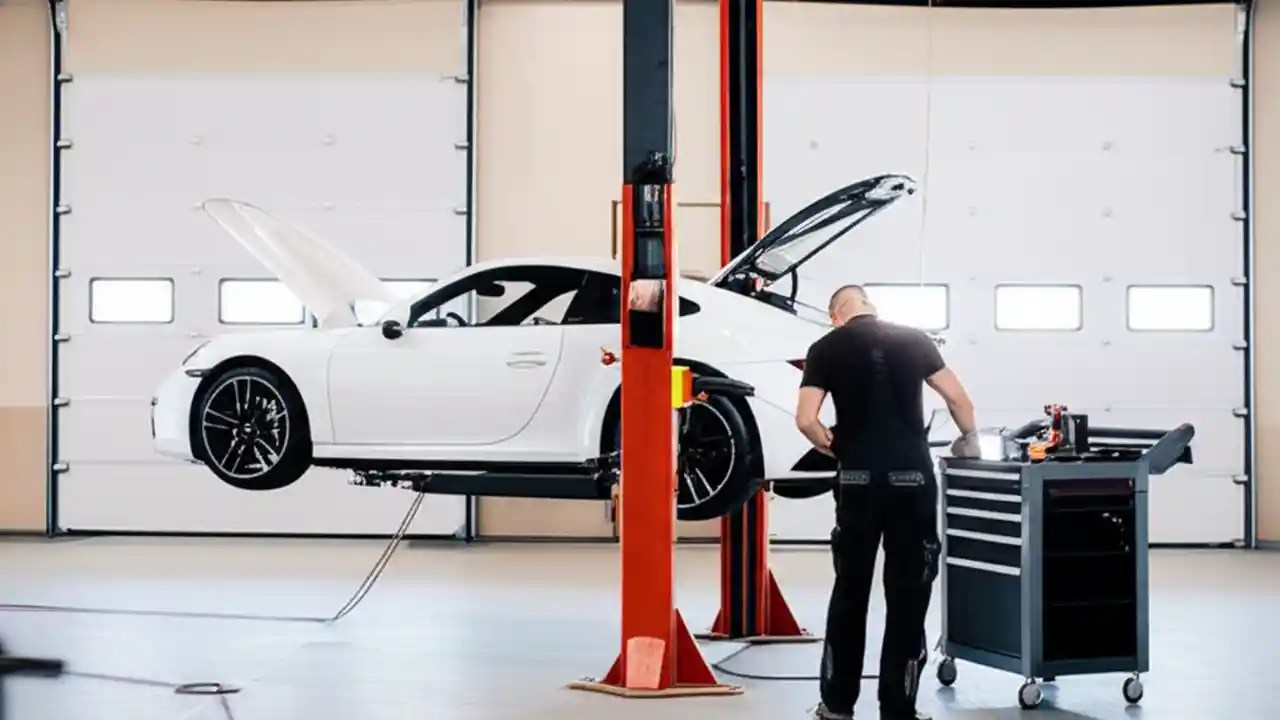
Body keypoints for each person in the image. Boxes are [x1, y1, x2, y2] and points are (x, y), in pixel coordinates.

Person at [796, 285, 977, 720]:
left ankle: (837, 706)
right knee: (908, 597)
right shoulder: (914, 339)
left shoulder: (825, 346)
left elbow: (806, 418)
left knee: (850, 592)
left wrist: (833, 446)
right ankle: (898, 709)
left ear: (835, 313)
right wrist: (968, 440)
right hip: (912, 482)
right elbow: (957, 398)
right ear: (870, 306)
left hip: (857, 482)